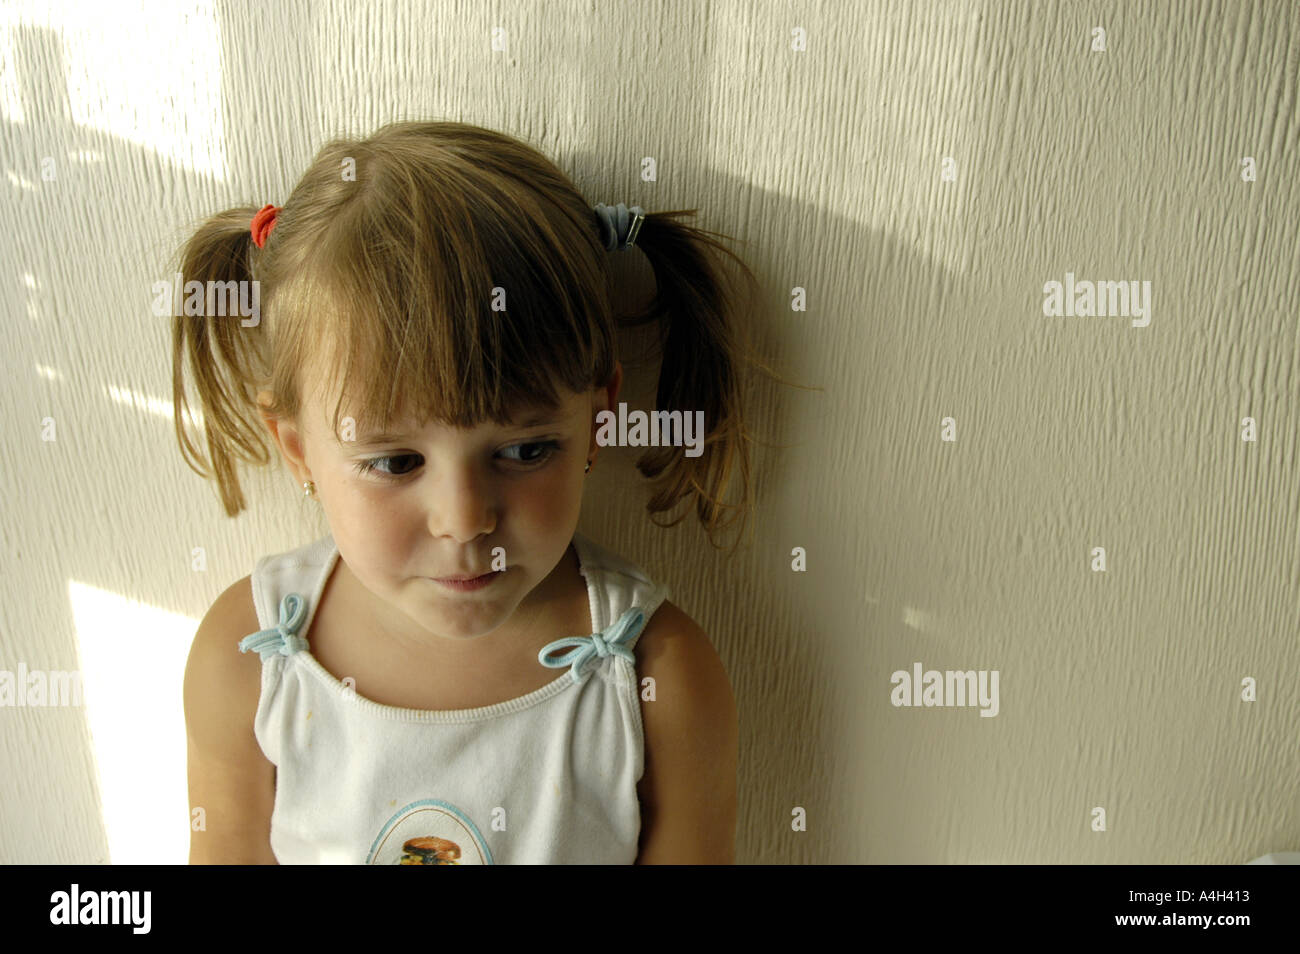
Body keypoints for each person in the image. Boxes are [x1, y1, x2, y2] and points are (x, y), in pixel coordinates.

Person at [172, 120, 765, 864]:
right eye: (395, 463)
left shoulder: (656, 679)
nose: (465, 519)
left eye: (525, 449)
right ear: (298, 450)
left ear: (596, 420)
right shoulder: (251, 662)